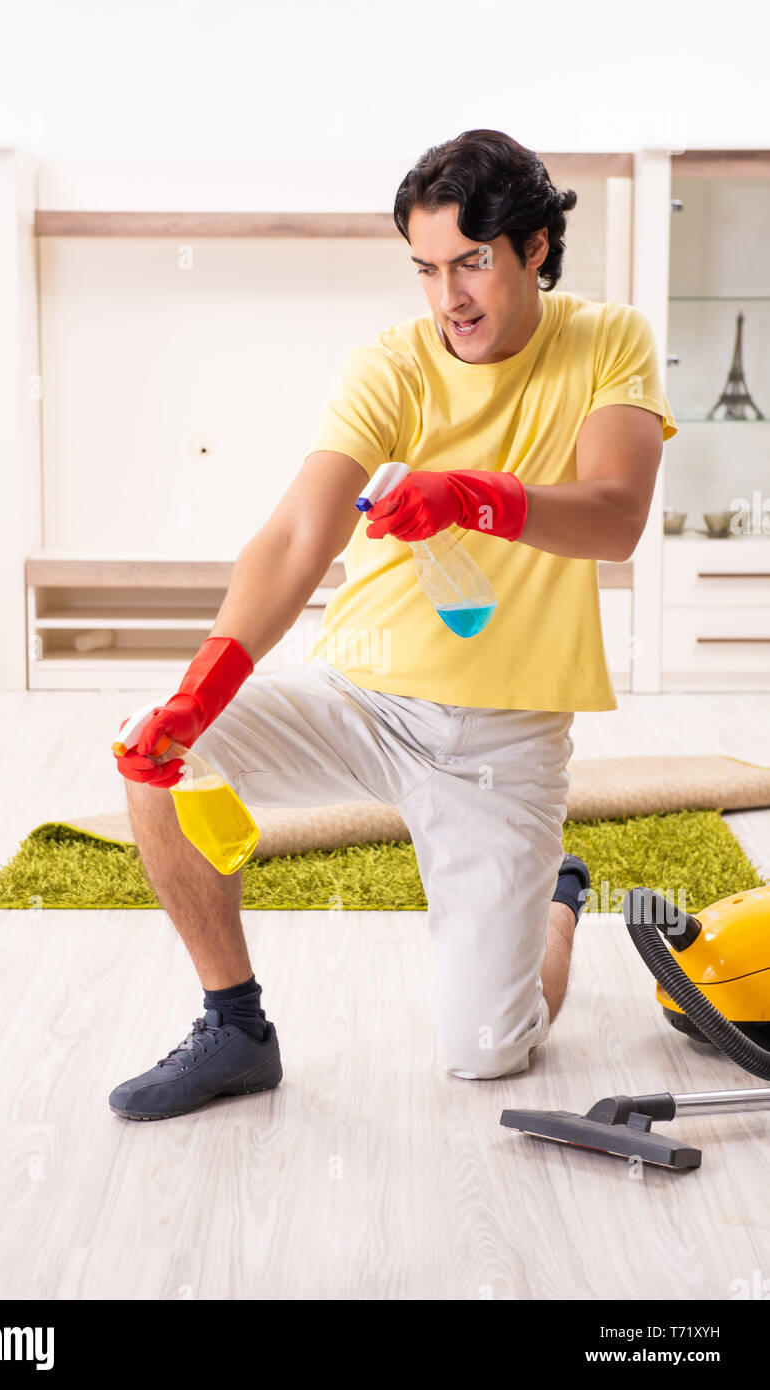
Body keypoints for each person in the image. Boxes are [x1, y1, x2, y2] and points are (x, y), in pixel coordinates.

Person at [110, 128, 677, 1121]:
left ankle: (557, 899)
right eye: (425, 269)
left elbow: (617, 516)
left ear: (535, 247)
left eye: (472, 263)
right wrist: (198, 694)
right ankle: (235, 1025)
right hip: (359, 698)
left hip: (503, 738)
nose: (448, 297)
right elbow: (296, 536)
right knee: (154, 751)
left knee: (488, 1052)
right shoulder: (393, 364)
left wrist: (474, 497)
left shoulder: (608, 341)